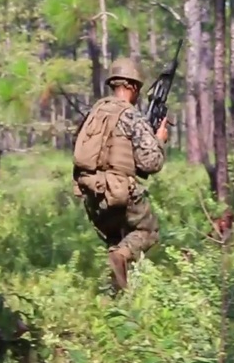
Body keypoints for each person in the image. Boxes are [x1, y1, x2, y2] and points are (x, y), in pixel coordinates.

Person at [72, 57, 170, 292]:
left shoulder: (94, 113)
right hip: (120, 193)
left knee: (117, 242)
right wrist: (160, 140)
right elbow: (151, 163)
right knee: (147, 231)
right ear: (134, 86)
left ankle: (117, 302)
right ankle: (122, 262)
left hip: (94, 195)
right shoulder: (130, 116)